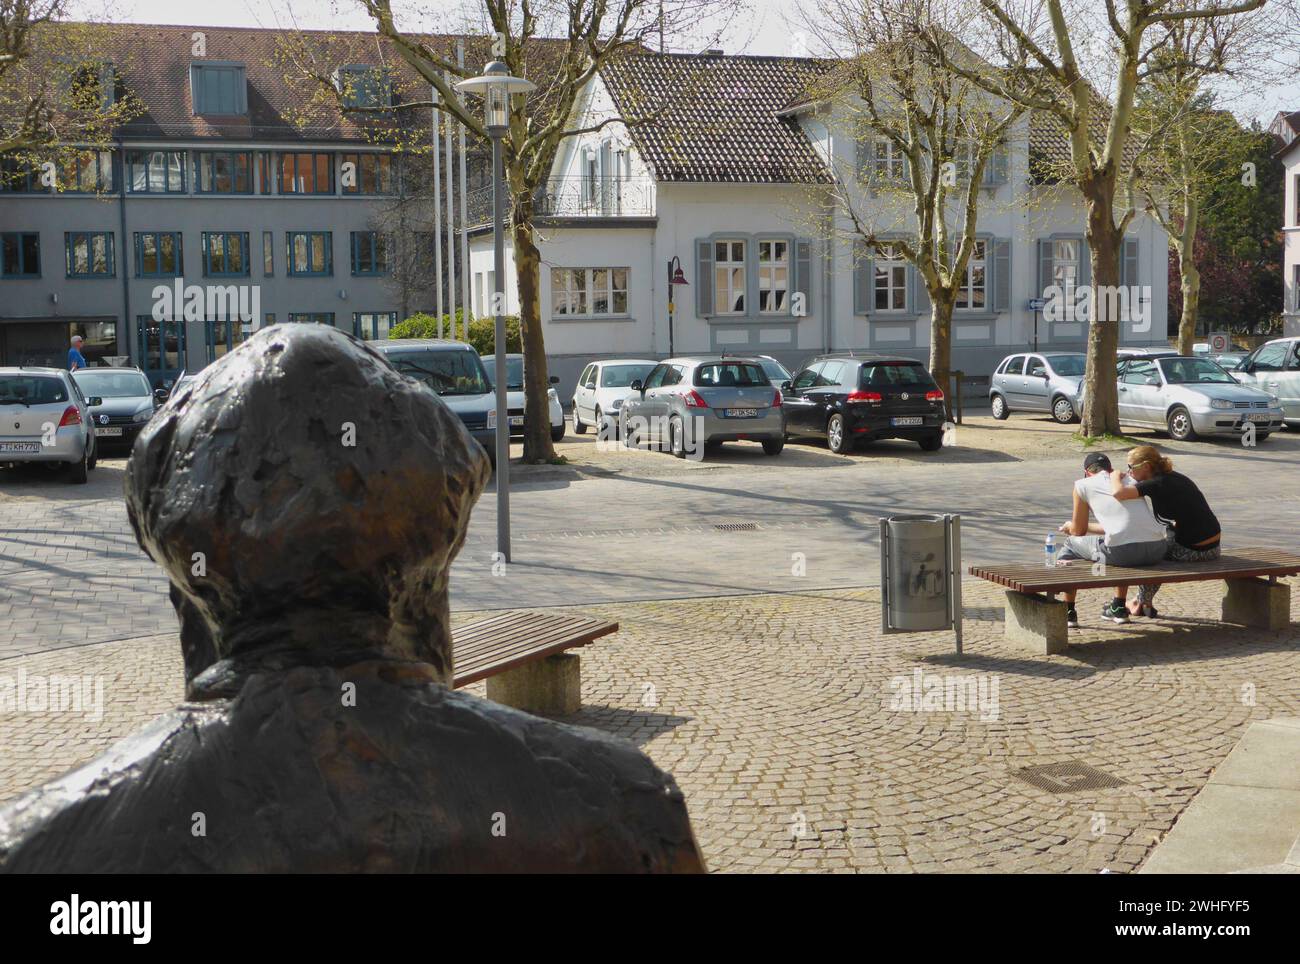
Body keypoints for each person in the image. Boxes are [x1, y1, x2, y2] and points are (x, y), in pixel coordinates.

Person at [1056, 452, 1168, 628]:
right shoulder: (1129, 481)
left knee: (1070, 543)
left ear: (1086, 472)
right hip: (1157, 549)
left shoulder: (1082, 485)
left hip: (1124, 552)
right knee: (1116, 540)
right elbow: (1124, 525)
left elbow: (1078, 531)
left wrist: (1069, 526)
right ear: (1110, 469)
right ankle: (1118, 607)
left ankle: (1068, 611)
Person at [1110, 445, 1220, 618]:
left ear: (1146, 467)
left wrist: (1114, 476)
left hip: (1195, 551)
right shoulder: (1173, 478)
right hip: (1213, 546)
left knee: (1151, 554)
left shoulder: (1157, 483)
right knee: (1160, 545)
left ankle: (1138, 603)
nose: (1128, 471)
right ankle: (1142, 601)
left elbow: (1119, 493)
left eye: (1131, 467)